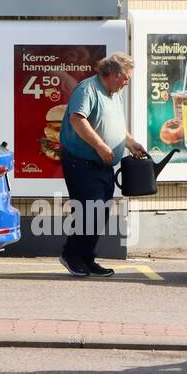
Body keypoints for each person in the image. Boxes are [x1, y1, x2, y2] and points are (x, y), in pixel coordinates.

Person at [57, 52, 147, 277]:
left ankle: (87, 259)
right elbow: (77, 119)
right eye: (126, 77)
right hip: (82, 162)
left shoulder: (114, 93)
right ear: (115, 74)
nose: (127, 81)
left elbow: (114, 124)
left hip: (103, 165)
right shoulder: (88, 89)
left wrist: (130, 142)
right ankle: (71, 255)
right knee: (89, 211)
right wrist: (99, 145)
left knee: (99, 212)